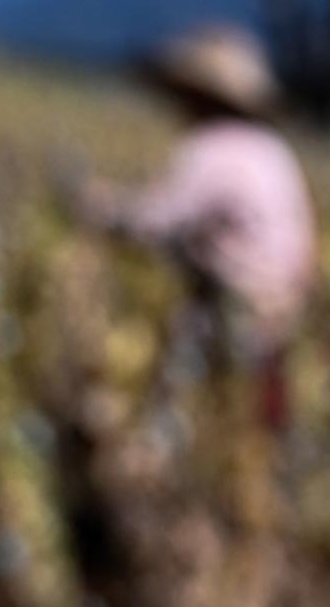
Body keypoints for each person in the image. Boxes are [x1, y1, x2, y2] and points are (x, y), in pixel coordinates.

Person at [88, 23, 318, 429]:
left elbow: (156, 221)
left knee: (181, 410)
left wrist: (106, 211)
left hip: (236, 312)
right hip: (285, 314)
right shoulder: (272, 148)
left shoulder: (212, 148)